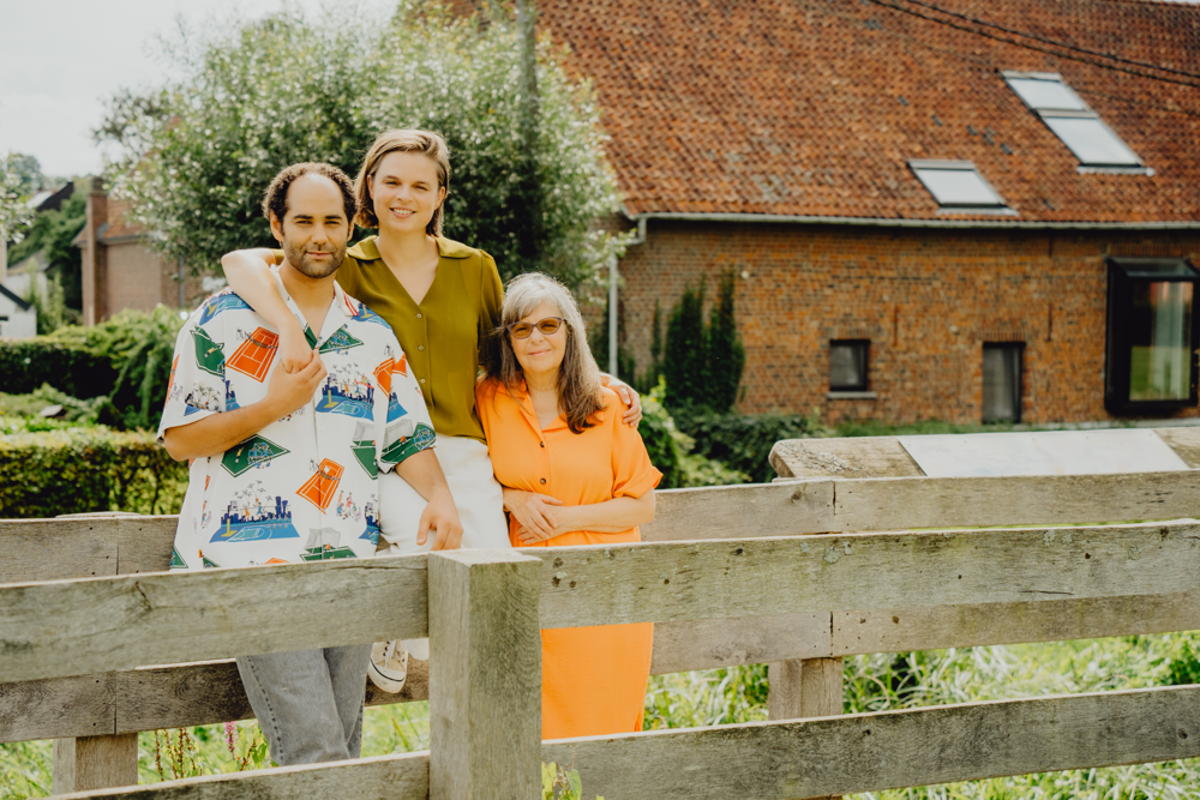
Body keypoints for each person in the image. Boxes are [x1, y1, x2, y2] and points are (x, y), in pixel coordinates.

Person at [219, 129, 640, 693]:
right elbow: (240, 262)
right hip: (374, 452)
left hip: (463, 453)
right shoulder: (343, 261)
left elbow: (511, 356)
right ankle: (397, 634)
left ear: (440, 196)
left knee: (495, 584)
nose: (404, 196)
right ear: (368, 186)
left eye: (421, 185)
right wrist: (289, 325)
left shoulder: (475, 267)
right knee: (428, 547)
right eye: (390, 181)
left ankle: (451, 693)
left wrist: (594, 377)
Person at [159, 162, 462, 766]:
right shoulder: (219, 322)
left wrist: (443, 499)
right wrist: (273, 405)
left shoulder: (372, 334)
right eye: (303, 221)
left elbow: (405, 439)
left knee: (342, 749)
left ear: (352, 226)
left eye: (332, 221)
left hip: (348, 562)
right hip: (253, 569)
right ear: (277, 225)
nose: (318, 235)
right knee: (315, 753)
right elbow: (181, 440)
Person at [475, 272, 661, 739]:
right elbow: (461, 477)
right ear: (509, 340)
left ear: (569, 331)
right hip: (524, 593)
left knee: (604, 735)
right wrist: (511, 498)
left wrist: (564, 519)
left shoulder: (605, 405)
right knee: (526, 733)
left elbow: (642, 506)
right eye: (522, 328)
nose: (536, 337)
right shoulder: (485, 399)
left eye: (549, 326)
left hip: (606, 596)